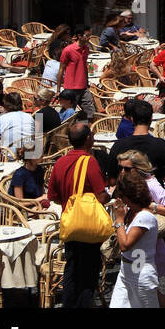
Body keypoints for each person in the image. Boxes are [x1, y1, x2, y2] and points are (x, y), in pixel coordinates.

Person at [46, 121, 108, 307]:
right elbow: (102, 196)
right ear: (88, 138)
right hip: (88, 224)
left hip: (70, 222)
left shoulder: (60, 162)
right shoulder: (89, 161)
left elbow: (54, 197)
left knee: (72, 268)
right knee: (89, 271)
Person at [108, 168, 160, 308]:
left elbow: (125, 245)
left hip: (141, 273)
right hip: (126, 269)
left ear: (127, 196)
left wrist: (119, 220)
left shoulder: (144, 217)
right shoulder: (132, 212)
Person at [107, 99, 165, 181]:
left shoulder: (118, 146)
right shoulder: (161, 145)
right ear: (151, 118)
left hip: (126, 193)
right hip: (152, 193)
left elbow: (112, 181)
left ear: (132, 119)